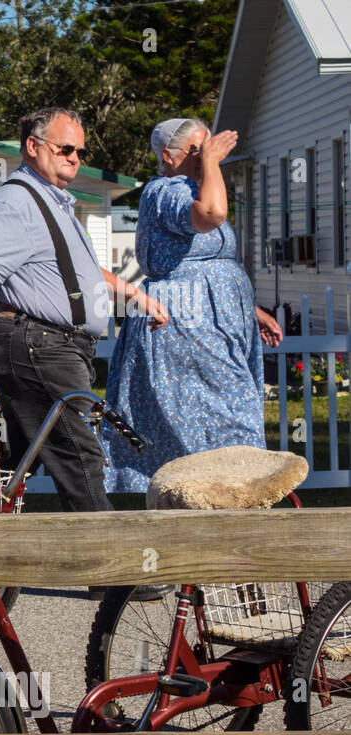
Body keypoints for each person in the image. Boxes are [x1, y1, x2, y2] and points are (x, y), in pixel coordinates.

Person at [0, 107, 170, 513]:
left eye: (80, 152)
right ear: (33, 145)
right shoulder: (15, 201)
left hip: (48, 345)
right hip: (36, 345)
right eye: (66, 149)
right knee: (79, 457)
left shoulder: (53, 201)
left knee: (11, 466)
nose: (75, 158)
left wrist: (135, 295)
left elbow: (79, 269)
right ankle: (115, 574)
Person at [102, 118, 284, 492]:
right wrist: (213, 164)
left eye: (208, 149)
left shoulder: (194, 187)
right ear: (169, 157)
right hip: (185, 321)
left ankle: (223, 499)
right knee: (216, 413)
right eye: (198, 151)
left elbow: (210, 261)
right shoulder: (167, 191)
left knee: (228, 408)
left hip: (217, 321)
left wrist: (251, 311)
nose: (207, 157)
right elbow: (211, 216)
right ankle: (217, 497)